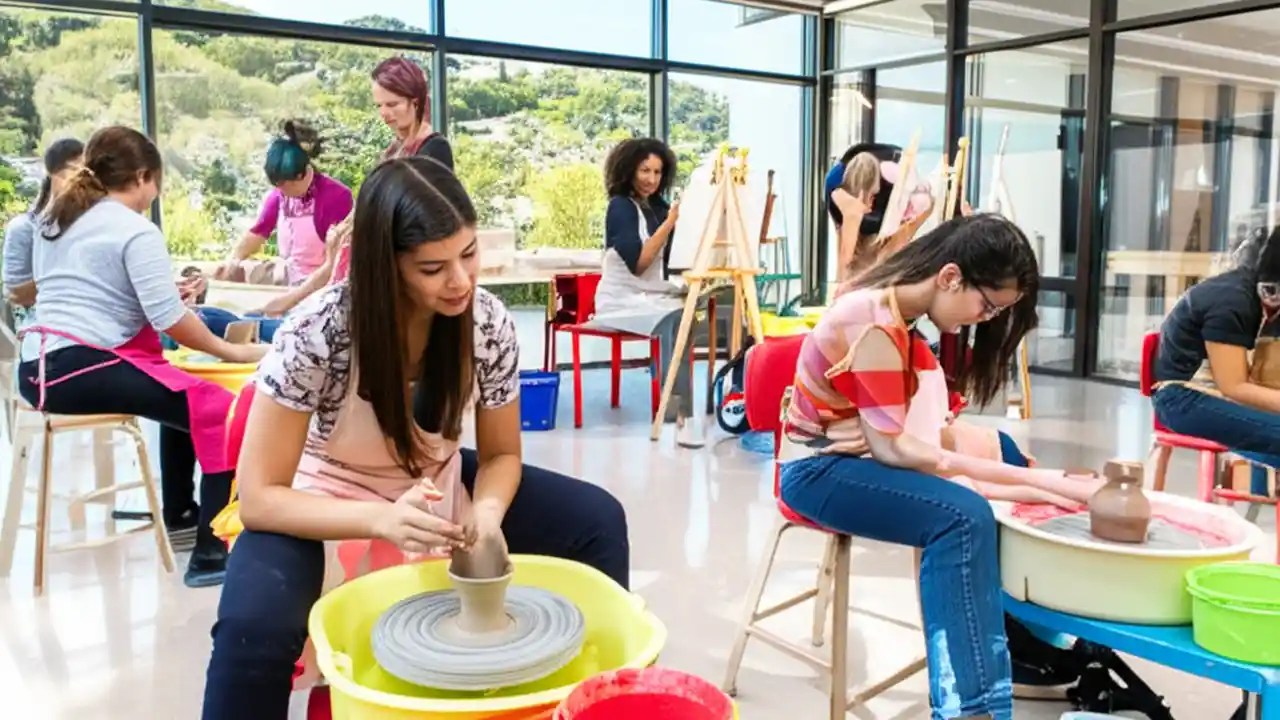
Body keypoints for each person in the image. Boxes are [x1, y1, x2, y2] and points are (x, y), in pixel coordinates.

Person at [201, 156, 629, 719]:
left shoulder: (486, 323)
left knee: (597, 521)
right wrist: (379, 519)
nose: (461, 281)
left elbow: (502, 454)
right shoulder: (319, 330)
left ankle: (590, 701)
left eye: (468, 254)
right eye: (433, 268)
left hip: (435, 481)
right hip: (322, 494)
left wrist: (488, 514)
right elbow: (259, 498)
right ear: (387, 265)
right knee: (251, 630)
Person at [779, 214, 1103, 720]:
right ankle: (968, 707)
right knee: (962, 517)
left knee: (1003, 458)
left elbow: (916, 439)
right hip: (817, 472)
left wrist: (1039, 484)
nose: (986, 319)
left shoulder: (899, 315)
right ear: (950, 276)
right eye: (988, 306)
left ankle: (1020, 650)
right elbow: (897, 452)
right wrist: (1037, 482)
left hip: (858, 455)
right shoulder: (874, 322)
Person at [14, 126, 267, 587]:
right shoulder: (135, 229)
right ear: (143, 177)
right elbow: (170, 320)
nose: (154, 195)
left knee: (183, 395)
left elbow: (89, 292)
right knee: (221, 409)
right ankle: (212, 553)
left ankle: (182, 514)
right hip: (79, 366)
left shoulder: (57, 220)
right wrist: (233, 350)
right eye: (155, 184)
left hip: (36, 368)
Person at [1152, 224, 1280, 495]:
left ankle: (1260, 491)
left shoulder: (1261, 296)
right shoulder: (1232, 301)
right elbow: (1234, 386)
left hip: (1217, 396)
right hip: (1182, 398)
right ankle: (1259, 491)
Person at [592, 137, 703, 448]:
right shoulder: (620, 208)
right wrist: (670, 224)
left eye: (657, 172)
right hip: (619, 301)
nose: (651, 179)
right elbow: (640, 264)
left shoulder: (657, 206)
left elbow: (676, 255)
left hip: (647, 296)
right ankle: (678, 413)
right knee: (675, 320)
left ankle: (696, 401)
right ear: (628, 170)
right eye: (644, 170)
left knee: (696, 312)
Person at [215, 121, 353, 295]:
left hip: (321, 282)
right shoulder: (279, 196)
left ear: (304, 174)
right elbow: (259, 232)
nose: (283, 191)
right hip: (288, 273)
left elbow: (343, 254)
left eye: (287, 186)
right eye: (278, 186)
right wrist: (234, 260)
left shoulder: (336, 197)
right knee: (222, 273)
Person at [4, 138, 85, 314]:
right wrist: (69, 279)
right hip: (40, 320)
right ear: (55, 175)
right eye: (76, 172)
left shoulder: (91, 224)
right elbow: (14, 295)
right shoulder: (24, 228)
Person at [373, 55, 452, 166]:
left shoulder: (435, 147)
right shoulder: (395, 148)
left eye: (392, 104)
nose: (383, 113)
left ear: (416, 103)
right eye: (379, 106)